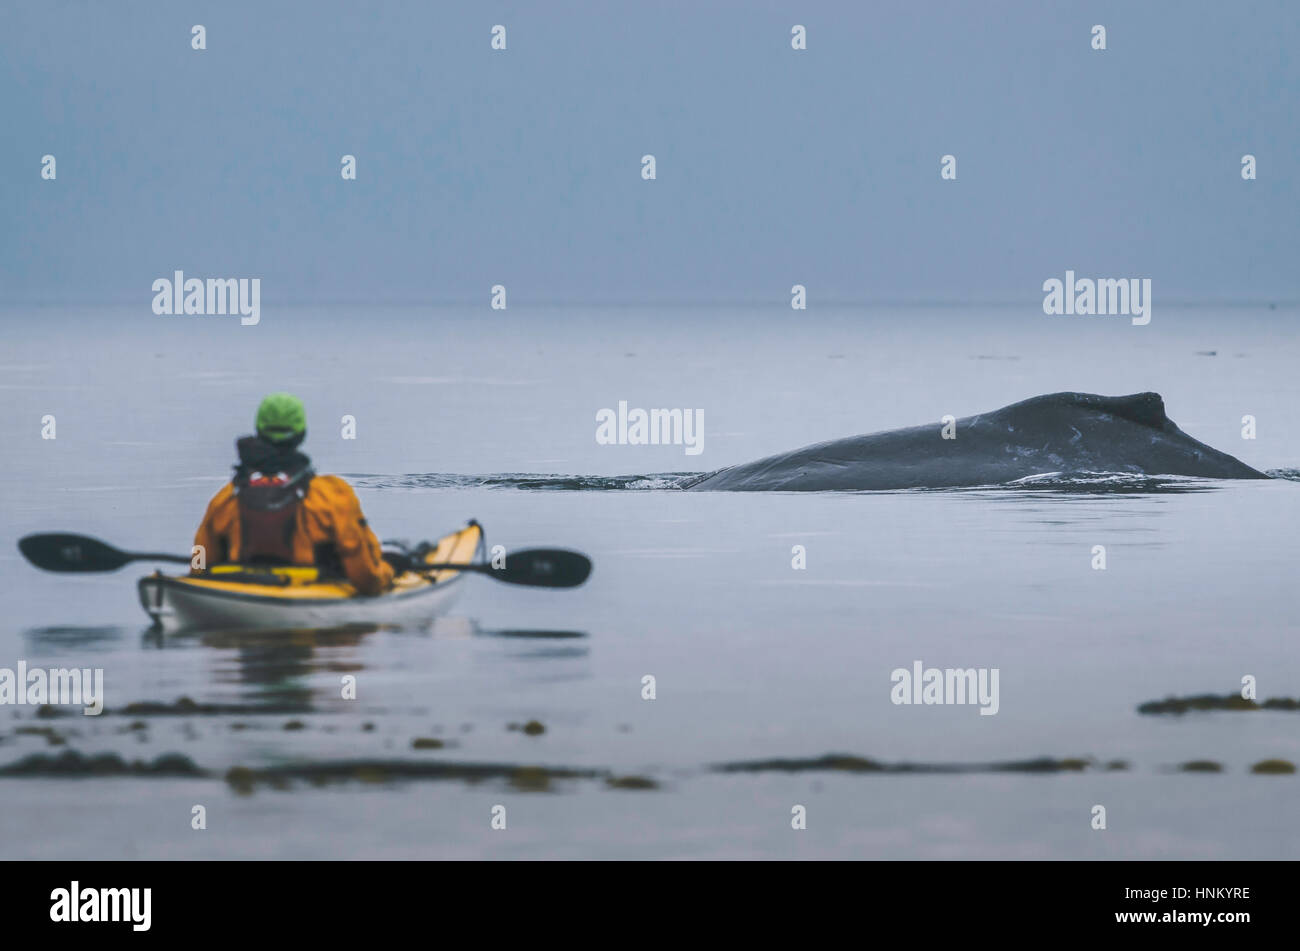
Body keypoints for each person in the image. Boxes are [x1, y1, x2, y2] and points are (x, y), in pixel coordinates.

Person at [193, 393, 396, 594]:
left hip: (240, 591)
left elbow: (200, 554)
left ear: (259, 431)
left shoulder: (226, 498)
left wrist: (196, 576)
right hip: (311, 588)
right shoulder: (332, 495)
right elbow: (365, 575)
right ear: (301, 435)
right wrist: (388, 573)